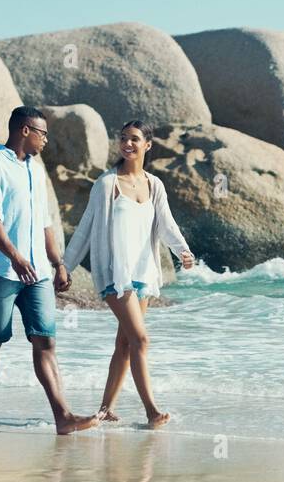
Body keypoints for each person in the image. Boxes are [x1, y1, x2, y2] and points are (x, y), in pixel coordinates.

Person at [0, 106, 99, 434]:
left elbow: (45, 224)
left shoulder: (35, 171)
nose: (46, 140)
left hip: (38, 273)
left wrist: (58, 263)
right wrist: (14, 256)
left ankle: (63, 417)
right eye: (42, 133)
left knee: (45, 342)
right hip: (0, 270)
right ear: (25, 130)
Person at [63, 120, 195, 430]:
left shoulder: (154, 185)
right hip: (115, 274)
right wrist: (65, 266)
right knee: (140, 339)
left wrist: (183, 251)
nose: (127, 144)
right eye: (123, 138)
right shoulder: (106, 184)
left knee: (124, 345)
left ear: (148, 145)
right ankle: (151, 410)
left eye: (135, 139)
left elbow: (166, 224)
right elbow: (84, 228)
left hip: (143, 275)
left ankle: (106, 409)